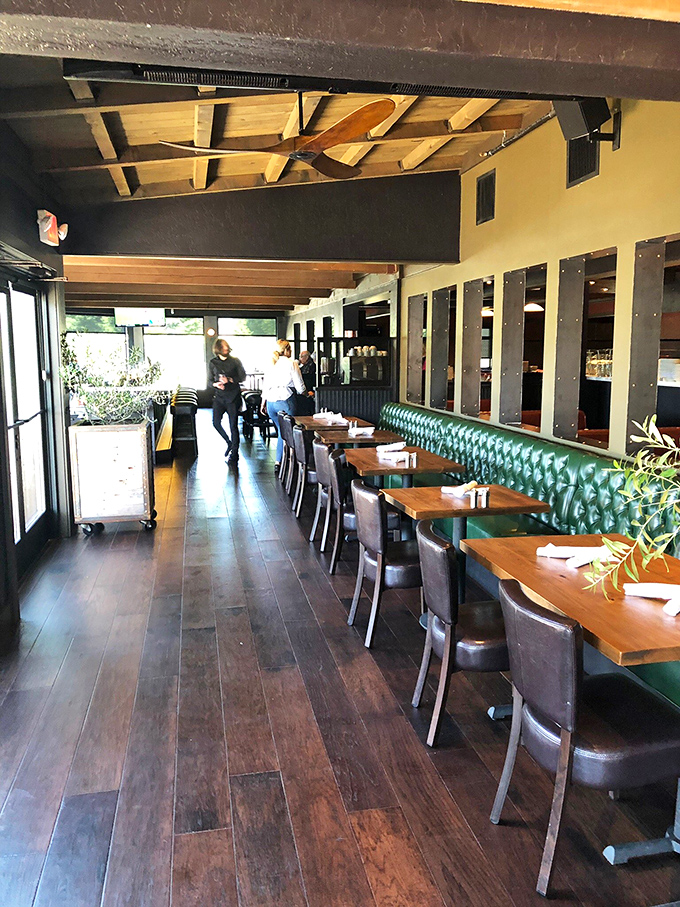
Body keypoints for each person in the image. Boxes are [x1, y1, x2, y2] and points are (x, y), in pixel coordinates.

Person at [261, 339, 305, 471]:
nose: (291, 352)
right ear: (286, 350)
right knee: (288, 431)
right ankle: (290, 461)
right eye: (290, 349)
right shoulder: (292, 363)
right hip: (285, 401)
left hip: (270, 403)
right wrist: (307, 394)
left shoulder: (271, 363)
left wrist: (263, 403)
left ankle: (280, 461)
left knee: (281, 430)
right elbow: (300, 387)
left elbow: (265, 385)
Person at [209, 339, 246, 466]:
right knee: (215, 422)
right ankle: (229, 442)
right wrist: (216, 384)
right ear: (218, 348)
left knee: (233, 426)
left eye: (227, 347)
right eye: (224, 347)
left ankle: (234, 455)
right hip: (219, 397)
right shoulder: (213, 363)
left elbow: (242, 377)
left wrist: (229, 379)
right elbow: (208, 381)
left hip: (233, 397)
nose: (226, 348)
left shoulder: (235, 361)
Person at [295, 349, 316, 415]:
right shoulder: (303, 366)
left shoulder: (311, 366)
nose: (299, 359)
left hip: (309, 392)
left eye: (301, 356)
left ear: (307, 357)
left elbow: (308, 379)